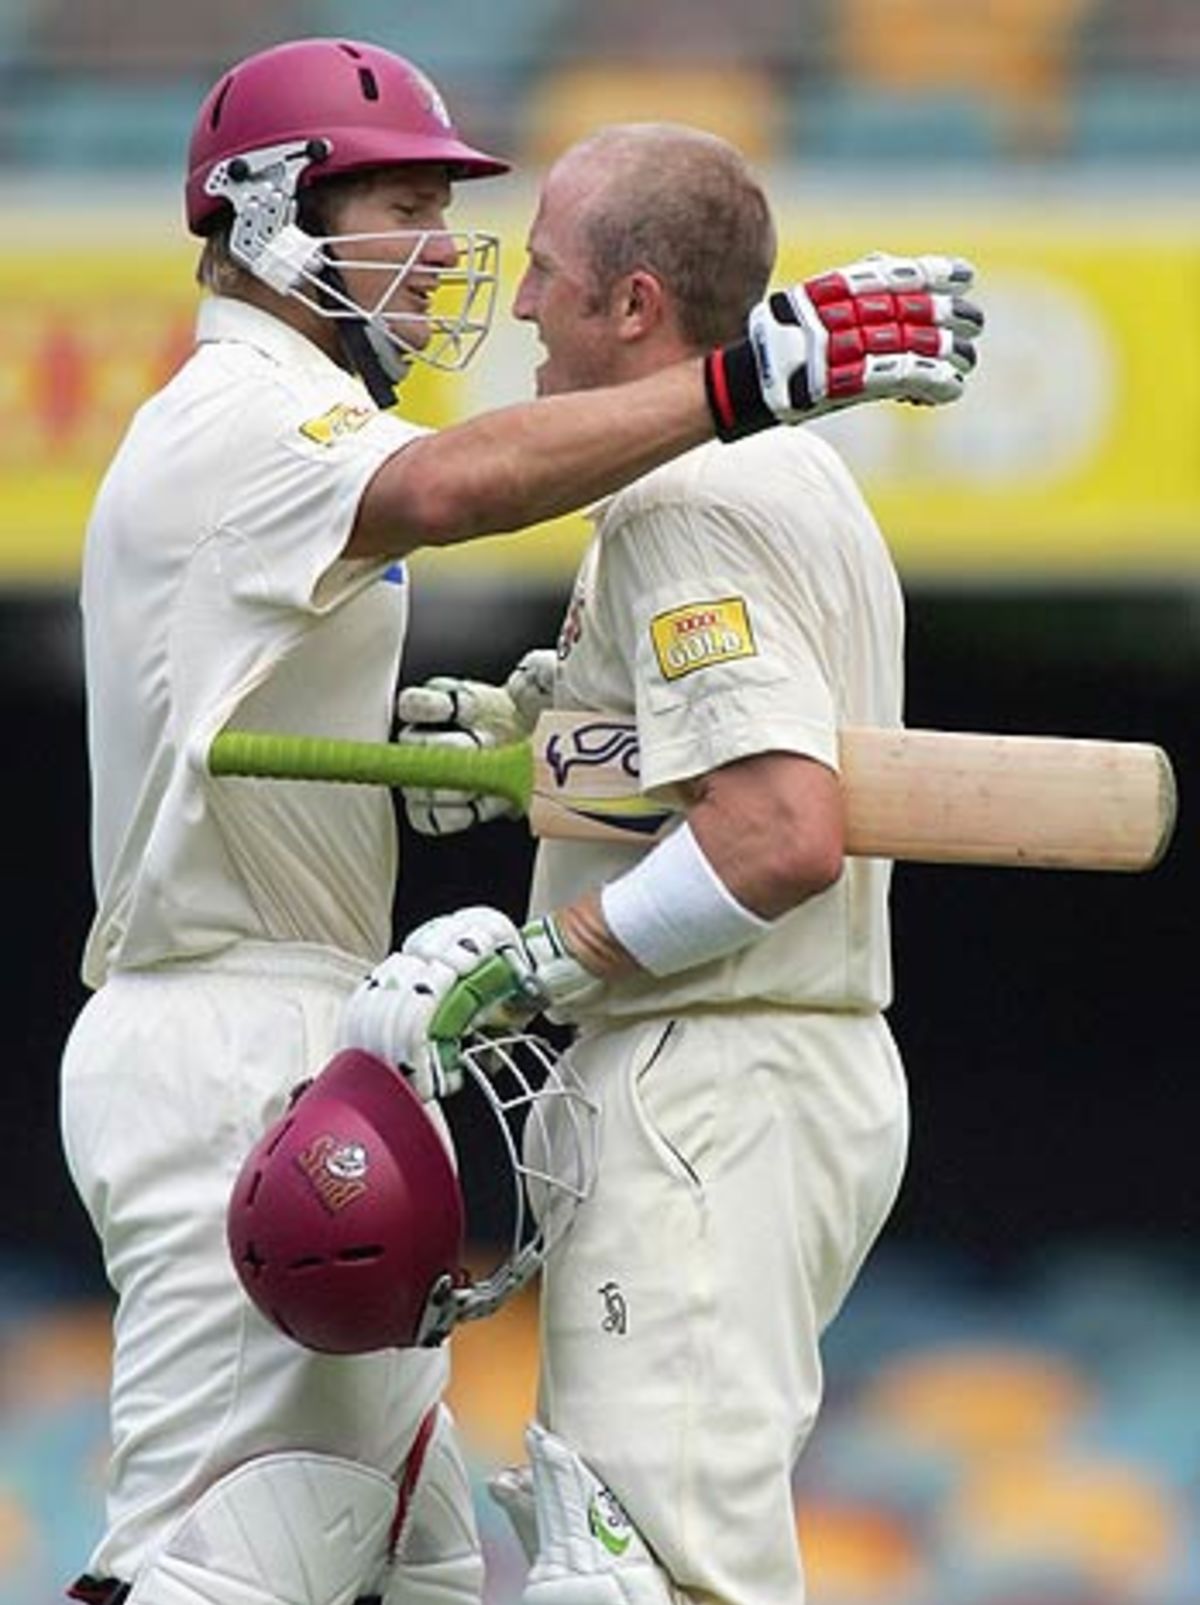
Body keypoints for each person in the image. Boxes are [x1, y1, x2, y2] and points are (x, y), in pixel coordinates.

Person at [58, 29, 979, 1605]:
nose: (455, 261)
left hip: (338, 1026)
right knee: (229, 1556)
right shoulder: (242, 410)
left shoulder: (332, 416)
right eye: (400, 204)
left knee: (409, 1559)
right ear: (273, 211)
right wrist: (756, 378)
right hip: (224, 1031)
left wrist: (526, 754)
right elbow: (462, 484)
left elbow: (760, 810)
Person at [343, 122, 982, 1605]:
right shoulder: (776, 471)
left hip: (718, 1075)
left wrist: (540, 962)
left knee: (646, 1571)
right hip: (752, 1079)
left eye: (550, 277)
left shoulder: (691, 500)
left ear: (633, 306)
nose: (518, 311)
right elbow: (710, 765)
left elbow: (776, 831)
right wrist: (540, 734)